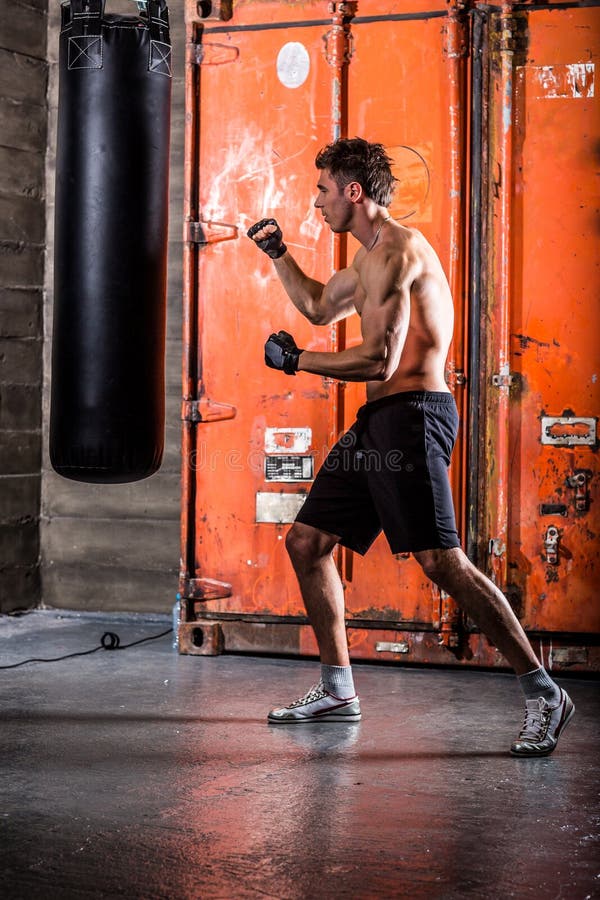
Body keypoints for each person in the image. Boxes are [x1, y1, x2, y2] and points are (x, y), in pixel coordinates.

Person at [247, 137, 573, 756]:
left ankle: (542, 692)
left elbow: (378, 357)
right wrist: (278, 254)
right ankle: (338, 689)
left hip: (414, 417)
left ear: (353, 192)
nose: (314, 202)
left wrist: (298, 363)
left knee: (441, 562)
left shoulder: (399, 253)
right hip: (379, 421)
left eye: (322, 190)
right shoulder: (367, 260)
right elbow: (319, 306)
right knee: (307, 542)